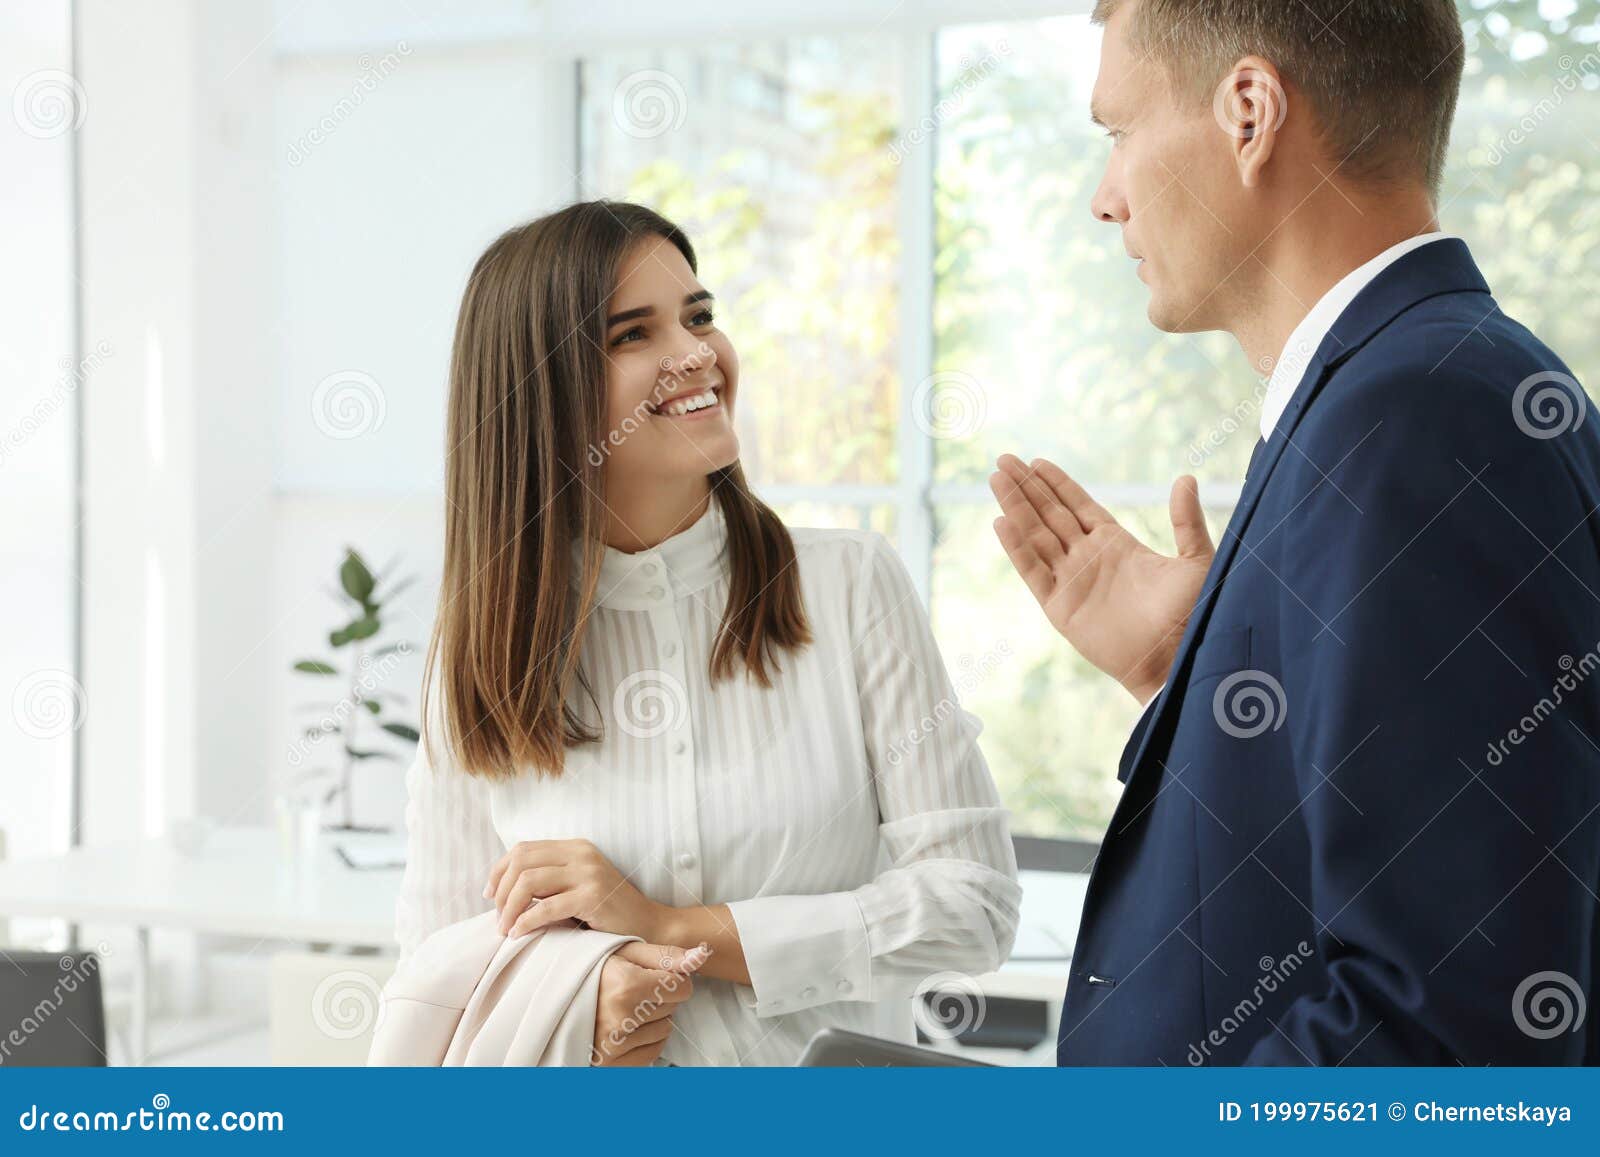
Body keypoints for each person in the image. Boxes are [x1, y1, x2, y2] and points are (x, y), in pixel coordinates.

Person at [991, 0, 1600, 1065]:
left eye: (1117, 132)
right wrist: (1193, 682)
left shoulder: (1416, 416)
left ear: (1248, 111)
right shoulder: (1395, 390)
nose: (1105, 198)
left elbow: (1444, 1031)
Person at [396, 199, 1021, 1066]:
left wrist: (672, 928)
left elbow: (972, 905)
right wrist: (582, 997)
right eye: (633, 334)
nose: (698, 355)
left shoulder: (849, 588)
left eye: (699, 316)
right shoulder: (478, 660)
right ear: (544, 395)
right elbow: (436, 979)